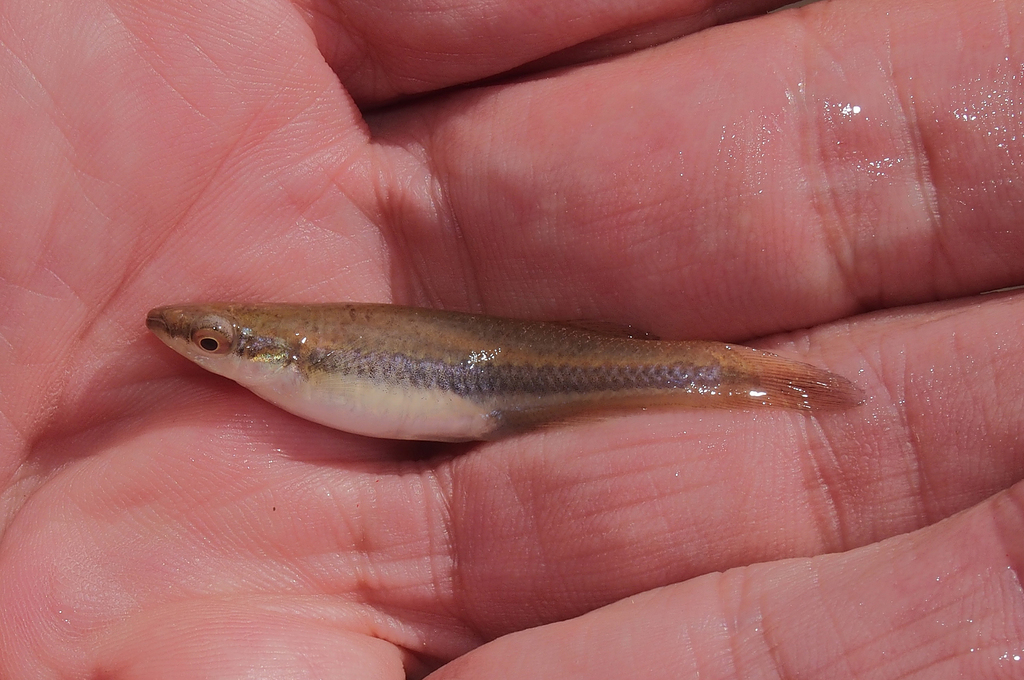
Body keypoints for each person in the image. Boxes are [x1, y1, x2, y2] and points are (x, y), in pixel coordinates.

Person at [1, 0, 1022, 676]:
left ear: (266, 349)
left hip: (498, 377)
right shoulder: (284, 366)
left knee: (683, 378)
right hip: (485, 385)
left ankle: (753, 382)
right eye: (211, 343)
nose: (200, 346)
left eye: (216, 342)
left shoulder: (296, 357)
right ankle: (750, 383)